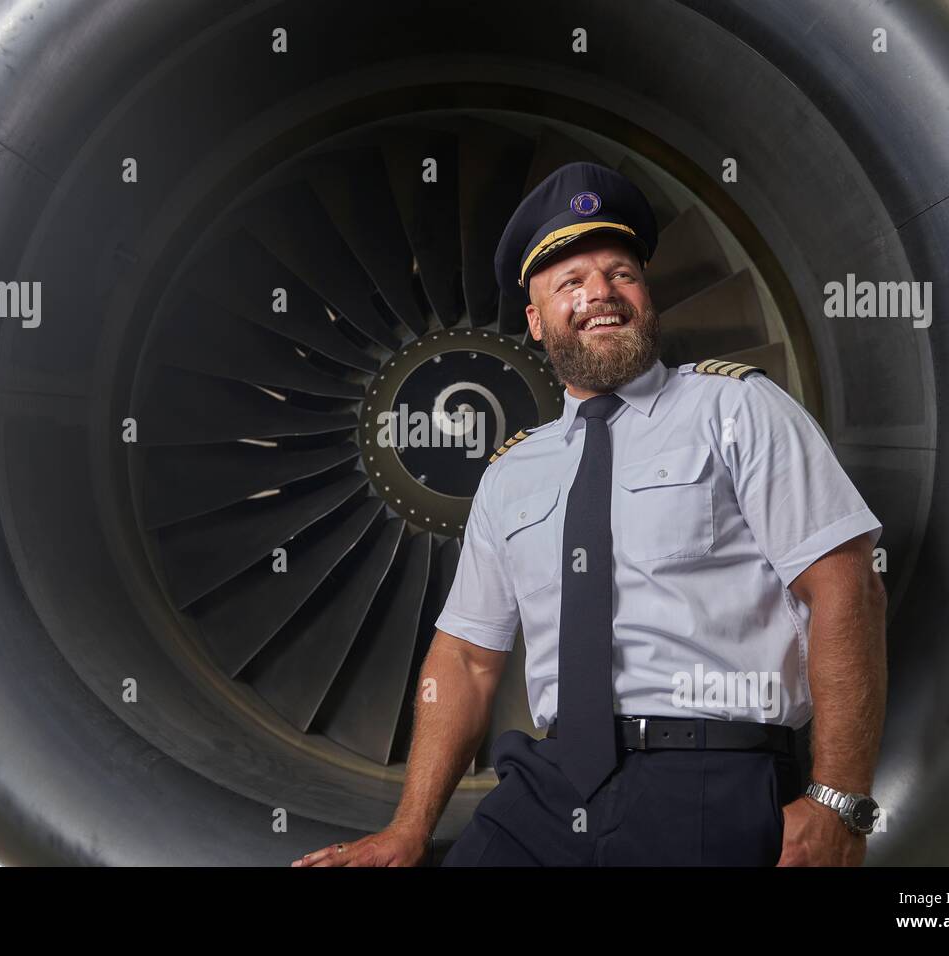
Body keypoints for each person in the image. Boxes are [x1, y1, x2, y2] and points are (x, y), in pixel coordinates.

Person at [292, 162, 886, 867]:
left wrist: (838, 802)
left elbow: (845, 585)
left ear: (646, 294)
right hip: (547, 783)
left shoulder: (737, 409)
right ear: (537, 322)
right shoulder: (513, 471)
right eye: (570, 282)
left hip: (709, 773)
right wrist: (407, 830)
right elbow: (466, 659)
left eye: (620, 273)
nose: (600, 293)